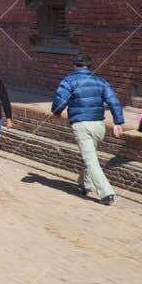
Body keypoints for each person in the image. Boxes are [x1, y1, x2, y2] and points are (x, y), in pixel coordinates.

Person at [50, 53, 124, 205]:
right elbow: (113, 101)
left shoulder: (69, 80)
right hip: (98, 124)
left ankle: (106, 193)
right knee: (89, 157)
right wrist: (118, 122)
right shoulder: (100, 81)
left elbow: (59, 101)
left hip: (81, 124)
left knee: (90, 159)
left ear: (74, 65)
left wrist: (57, 112)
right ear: (90, 66)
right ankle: (85, 184)